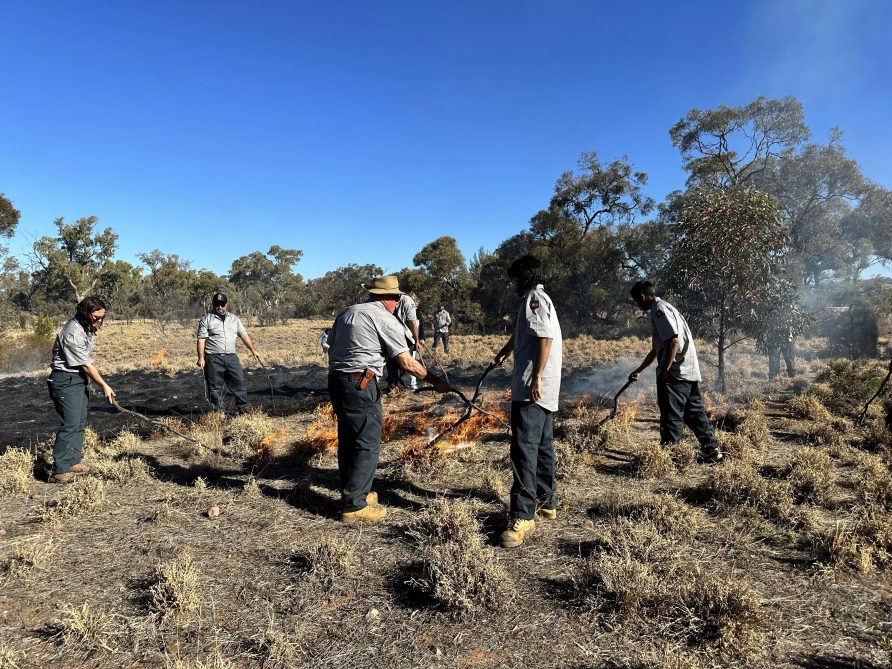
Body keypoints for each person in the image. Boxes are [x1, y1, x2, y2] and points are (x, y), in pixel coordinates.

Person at [328, 276, 449, 523]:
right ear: (387, 298)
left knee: (349, 439)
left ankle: (354, 492)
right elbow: (405, 362)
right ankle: (354, 507)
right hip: (361, 383)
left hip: (337, 381)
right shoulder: (384, 318)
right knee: (367, 442)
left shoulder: (348, 312)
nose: (396, 303)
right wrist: (436, 381)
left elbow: (330, 344)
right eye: (395, 298)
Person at [491, 256, 562, 548]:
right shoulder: (540, 298)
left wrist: (536, 378)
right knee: (543, 446)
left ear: (524, 277)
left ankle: (523, 516)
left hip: (532, 388)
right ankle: (547, 502)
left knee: (523, 450)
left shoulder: (533, 297)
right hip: (544, 389)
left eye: (514, 279)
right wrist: (506, 351)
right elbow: (525, 333)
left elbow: (544, 338)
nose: (512, 284)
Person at [627, 280, 723, 463]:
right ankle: (712, 450)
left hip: (675, 375)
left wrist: (665, 370)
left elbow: (673, 341)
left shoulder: (659, 310)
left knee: (671, 417)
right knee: (695, 414)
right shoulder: (668, 308)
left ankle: (671, 459)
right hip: (688, 372)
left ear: (642, 297)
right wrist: (639, 370)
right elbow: (657, 348)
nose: (638, 305)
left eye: (637, 301)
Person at [47, 296, 116, 483]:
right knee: (70, 423)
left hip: (77, 379)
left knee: (79, 422)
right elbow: (85, 364)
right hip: (65, 379)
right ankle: (59, 470)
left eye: (102, 317)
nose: (99, 321)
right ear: (85, 313)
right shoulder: (73, 332)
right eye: (96, 317)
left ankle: (73, 461)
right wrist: (104, 385)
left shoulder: (86, 327)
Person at [196, 293, 262, 415]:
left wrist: (253, 350)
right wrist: (201, 357)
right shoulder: (206, 320)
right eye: (217, 304)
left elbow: (244, 335)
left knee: (239, 382)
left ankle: (244, 409)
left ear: (226, 304)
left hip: (231, 357)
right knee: (215, 387)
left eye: (222, 304)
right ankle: (219, 413)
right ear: (213, 305)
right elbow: (201, 339)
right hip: (213, 358)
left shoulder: (234, 319)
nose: (220, 307)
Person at [386, 291, 422, 390]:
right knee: (406, 364)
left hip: (389, 336)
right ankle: (402, 388)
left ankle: (393, 386)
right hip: (404, 337)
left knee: (392, 362)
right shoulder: (408, 301)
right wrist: (416, 340)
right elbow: (412, 323)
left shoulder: (386, 298)